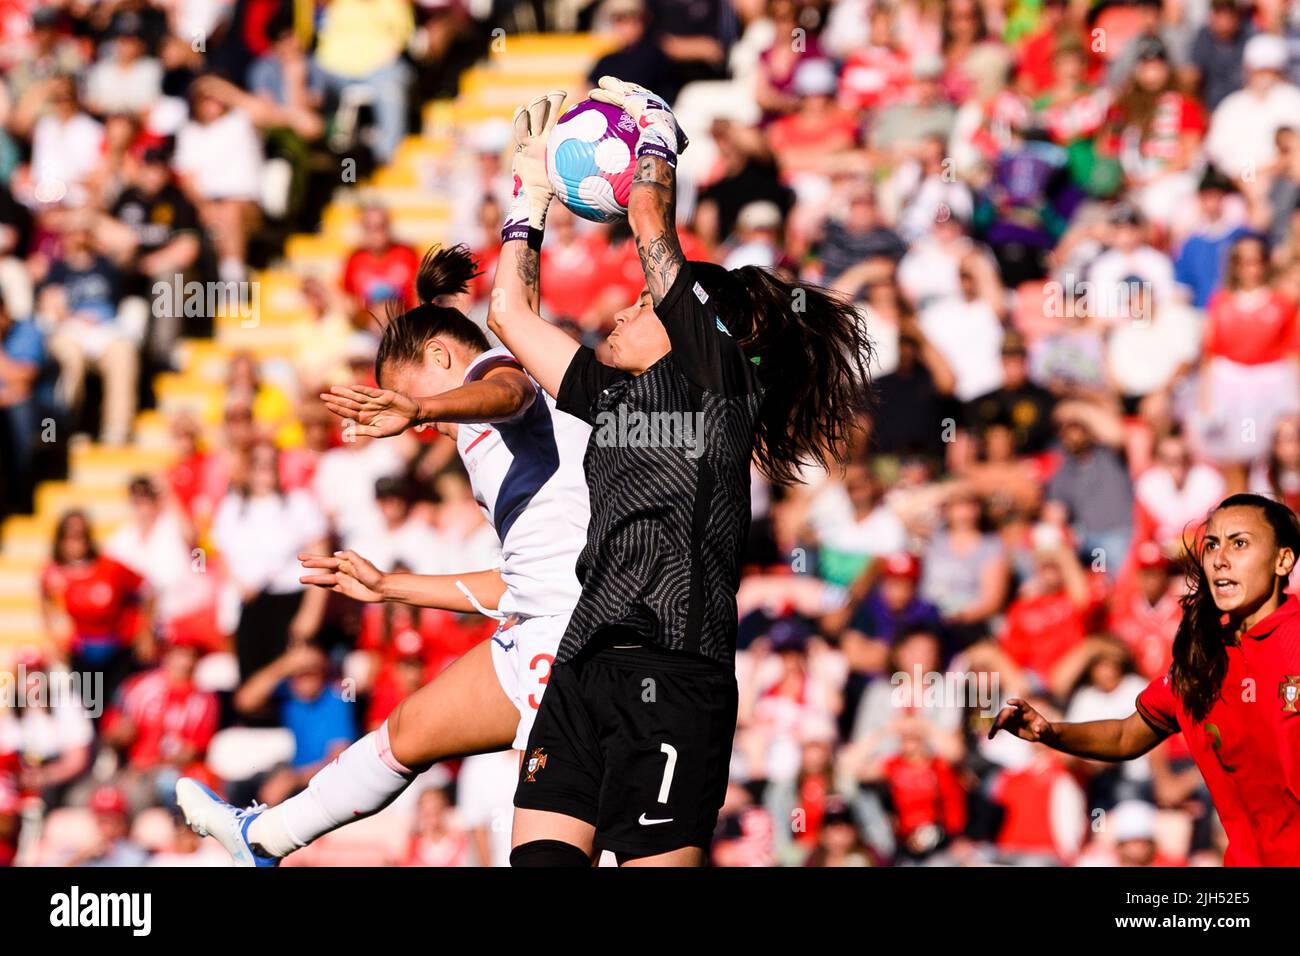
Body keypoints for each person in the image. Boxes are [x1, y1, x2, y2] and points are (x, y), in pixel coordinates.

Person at [486, 81, 871, 866]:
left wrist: (656, 130)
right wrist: (526, 195)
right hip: (583, 664)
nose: (620, 314)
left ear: (693, 327)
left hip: (675, 671)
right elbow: (510, 319)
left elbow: (651, 223)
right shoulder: (614, 392)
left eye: (640, 304)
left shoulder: (716, 383)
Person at [176, 244, 592, 865]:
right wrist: (389, 586)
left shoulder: (496, 382)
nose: (418, 426)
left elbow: (509, 393)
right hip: (543, 620)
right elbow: (519, 581)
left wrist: (421, 407)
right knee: (408, 731)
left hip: (578, 640)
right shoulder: (485, 426)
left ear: (441, 356)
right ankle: (262, 838)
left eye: (407, 398)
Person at [990, 493, 1300, 866]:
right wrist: (1050, 732)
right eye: (1212, 544)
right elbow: (1127, 735)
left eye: (1240, 544)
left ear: (1283, 559)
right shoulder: (1202, 657)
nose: (1220, 559)